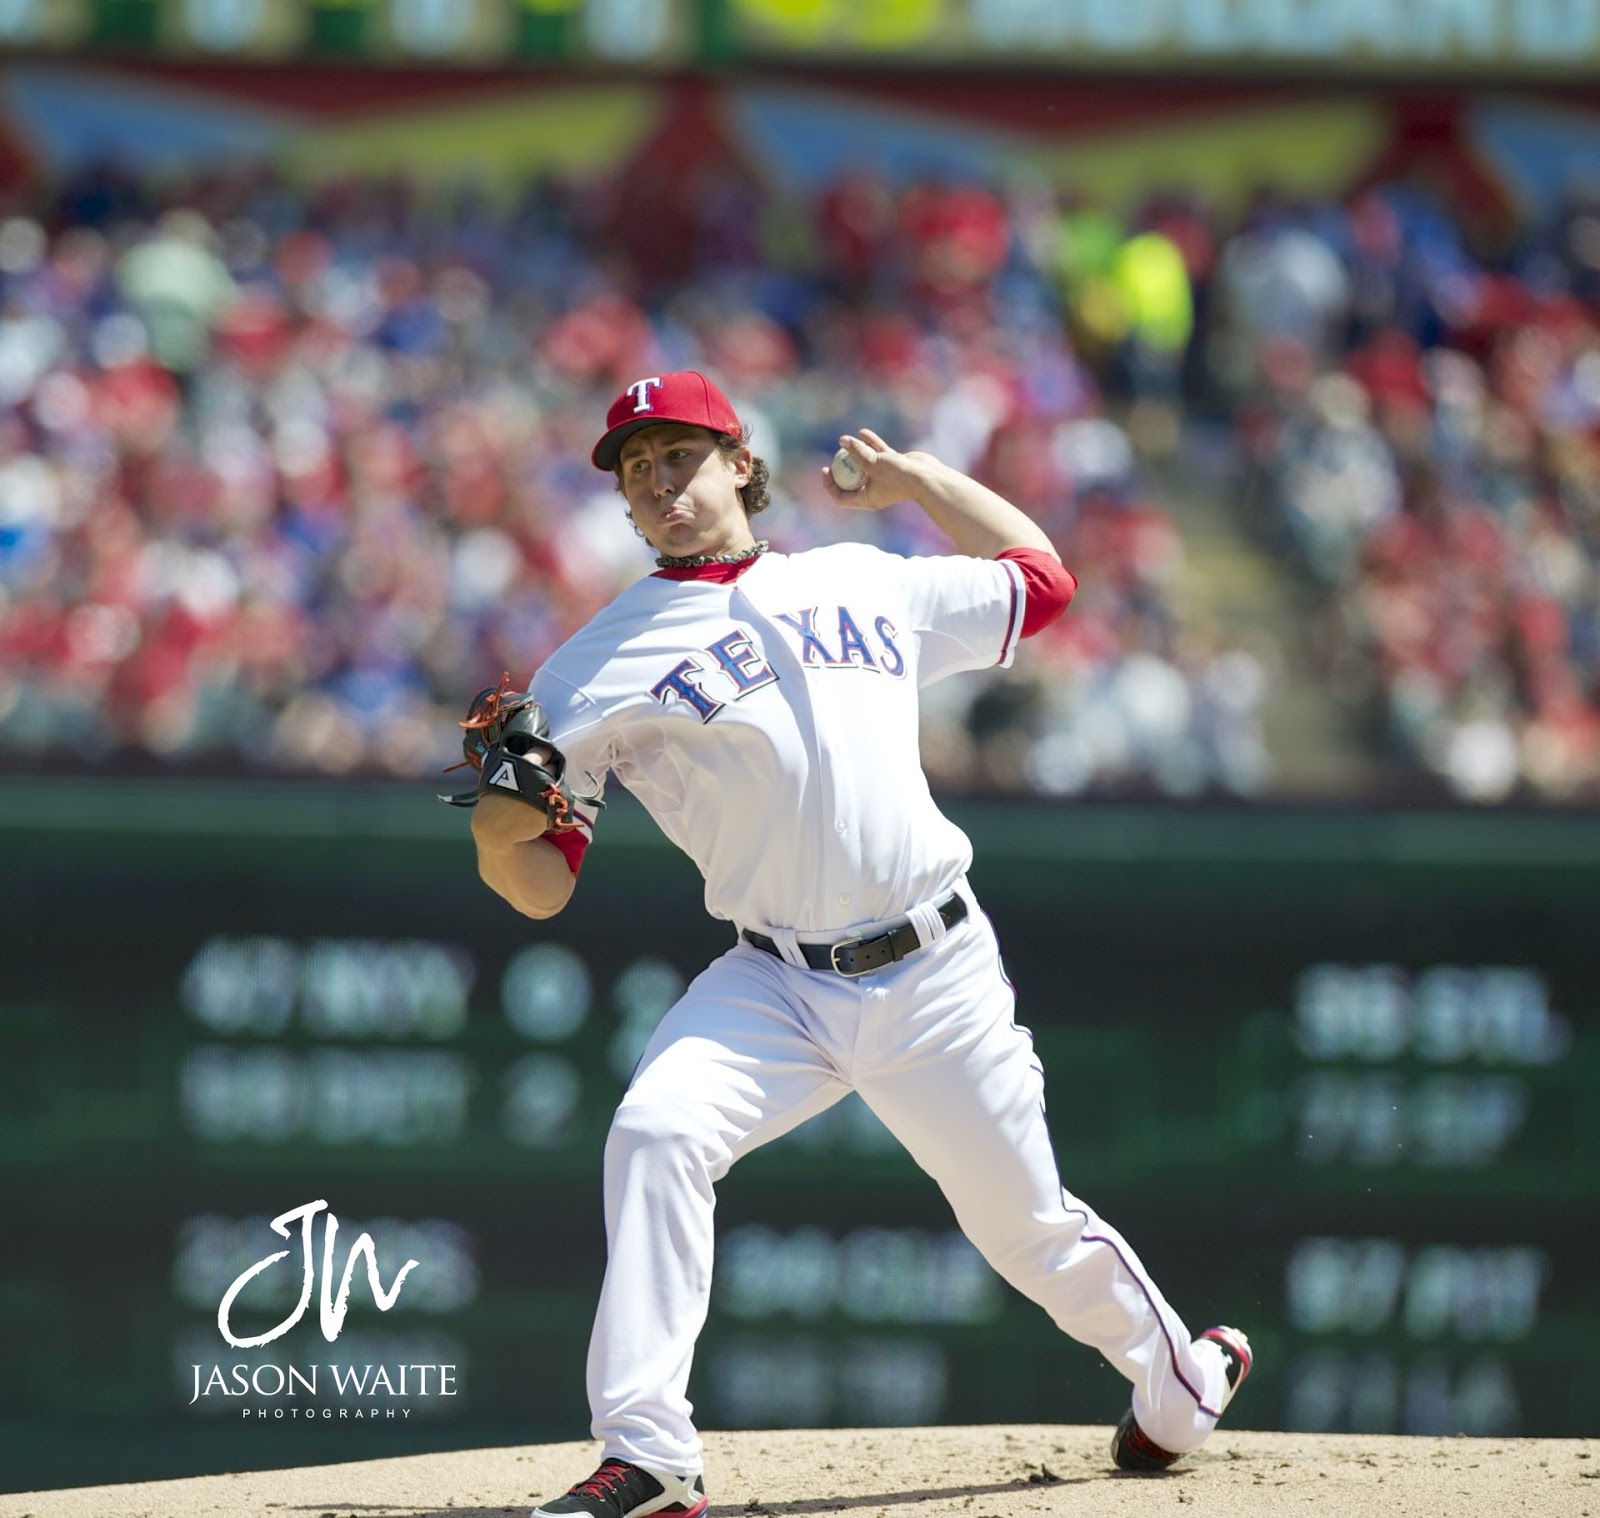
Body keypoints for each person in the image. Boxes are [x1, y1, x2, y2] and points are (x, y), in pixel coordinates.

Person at [467, 372, 1251, 1518]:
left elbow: (1042, 582)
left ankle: (1181, 1383)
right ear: (625, 503)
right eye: (636, 468)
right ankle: (651, 1453)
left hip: (935, 971)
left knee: (1026, 1231)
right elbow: (543, 886)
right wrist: (497, 835)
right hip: (775, 980)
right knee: (654, 1133)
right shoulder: (589, 667)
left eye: (680, 454)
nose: (659, 481)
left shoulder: (861, 578)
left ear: (740, 463)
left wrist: (918, 481)